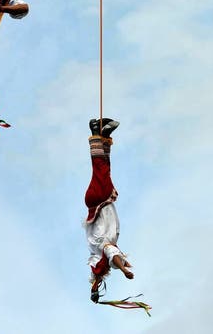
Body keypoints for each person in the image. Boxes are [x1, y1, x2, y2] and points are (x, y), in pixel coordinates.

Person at [84, 118, 134, 303]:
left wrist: (124, 270)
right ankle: (104, 137)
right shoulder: (96, 252)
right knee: (104, 171)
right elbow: (99, 269)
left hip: (99, 200)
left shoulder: (105, 248)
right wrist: (95, 288)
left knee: (100, 170)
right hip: (97, 201)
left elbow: (112, 255)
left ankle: (95, 133)